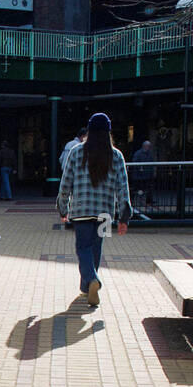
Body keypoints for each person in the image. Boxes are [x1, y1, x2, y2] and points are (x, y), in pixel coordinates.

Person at [56, 111, 131, 310]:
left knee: (83, 248)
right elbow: (123, 188)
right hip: (105, 213)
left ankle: (91, 281)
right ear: (108, 132)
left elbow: (66, 184)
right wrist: (125, 215)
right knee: (96, 248)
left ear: (88, 131)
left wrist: (62, 208)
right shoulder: (116, 155)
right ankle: (87, 284)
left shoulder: (77, 152)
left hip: (81, 211)